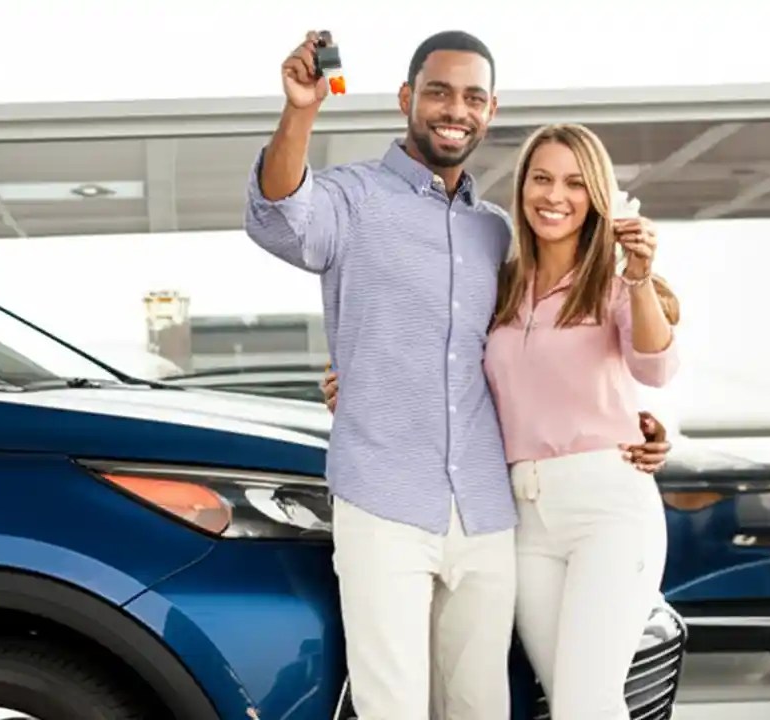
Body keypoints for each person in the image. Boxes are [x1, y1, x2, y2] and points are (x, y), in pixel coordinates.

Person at [244, 29, 672, 720]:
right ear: (407, 98)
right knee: (395, 707)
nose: (455, 108)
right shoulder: (351, 200)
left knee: (482, 706)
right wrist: (300, 110)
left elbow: (543, 356)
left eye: (473, 96)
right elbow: (279, 219)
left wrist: (642, 425)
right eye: (439, 91)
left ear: (491, 111)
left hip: (486, 509)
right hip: (384, 498)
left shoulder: (499, 233)